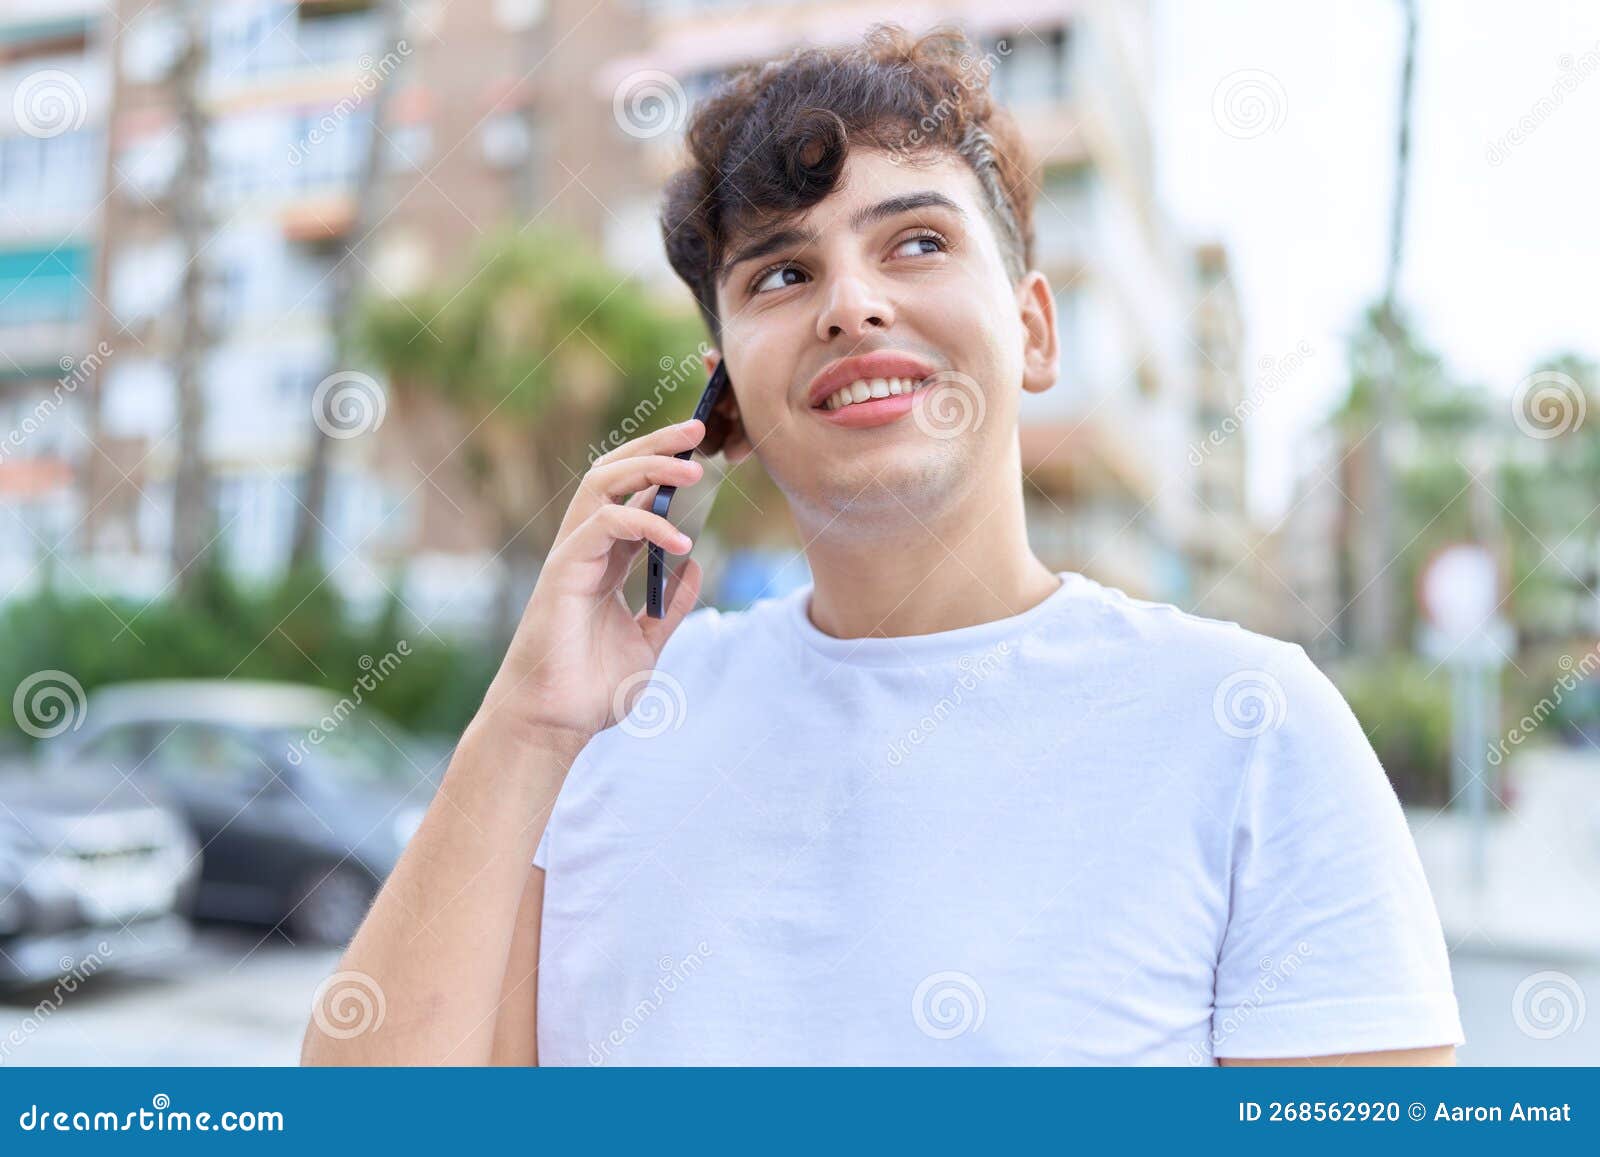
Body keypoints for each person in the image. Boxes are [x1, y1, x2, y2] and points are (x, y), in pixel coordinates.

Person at [302, 23, 1463, 1066]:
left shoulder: (1252, 725)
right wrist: (528, 718)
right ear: (730, 403)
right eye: (783, 272)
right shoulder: (600, 733)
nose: (849, 303)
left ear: (1032, 329)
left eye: (913, 243)